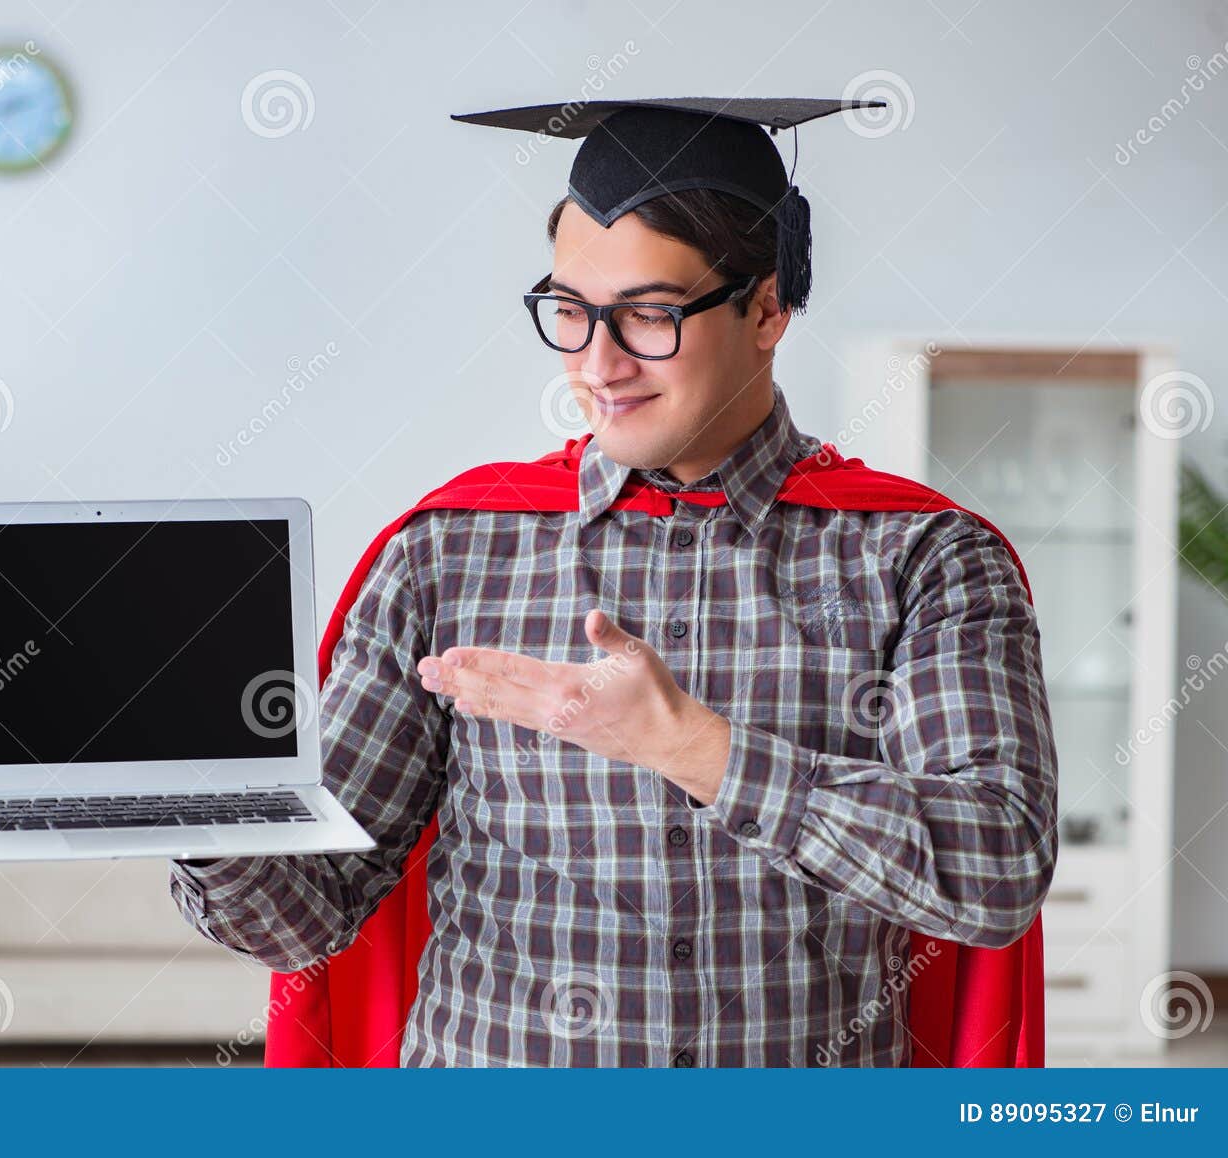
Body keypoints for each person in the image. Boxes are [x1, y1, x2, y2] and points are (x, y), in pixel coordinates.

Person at [170, 97, 1058, 1066]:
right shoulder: (445, 555)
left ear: (765, 309)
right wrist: (203, 805)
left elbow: (996, 871)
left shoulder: (921, 558)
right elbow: (306, 922)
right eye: (569, 310)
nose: (596, 363)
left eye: (647, 315)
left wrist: (691, 748)